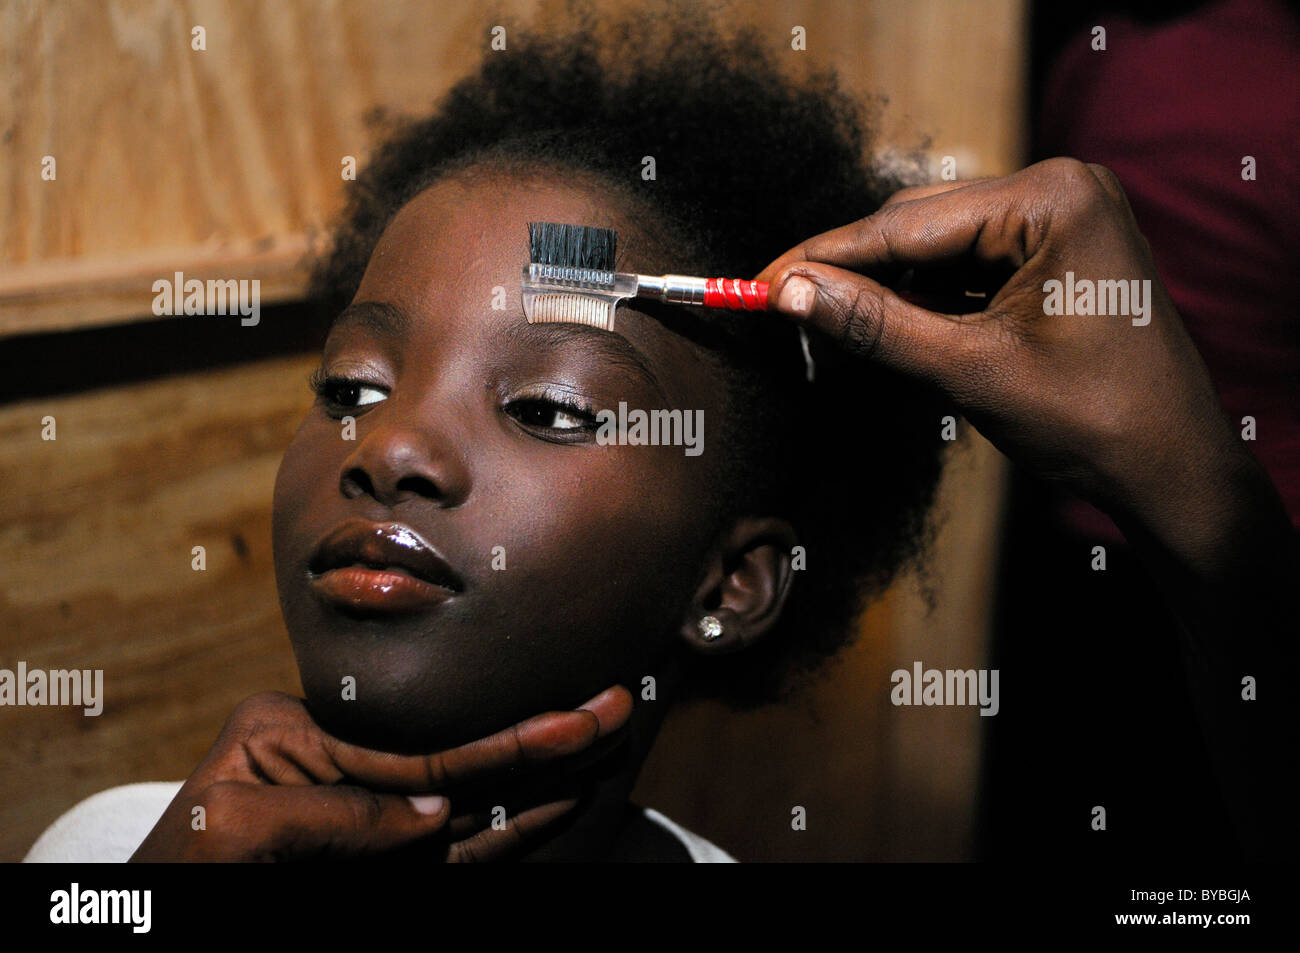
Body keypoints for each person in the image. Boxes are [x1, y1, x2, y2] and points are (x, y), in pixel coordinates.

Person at [26, 13, 1294, 863]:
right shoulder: (118, 851)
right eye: (352, 383)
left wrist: (1211, 522)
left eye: (548, 408)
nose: (390, 445)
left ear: (731, 585)